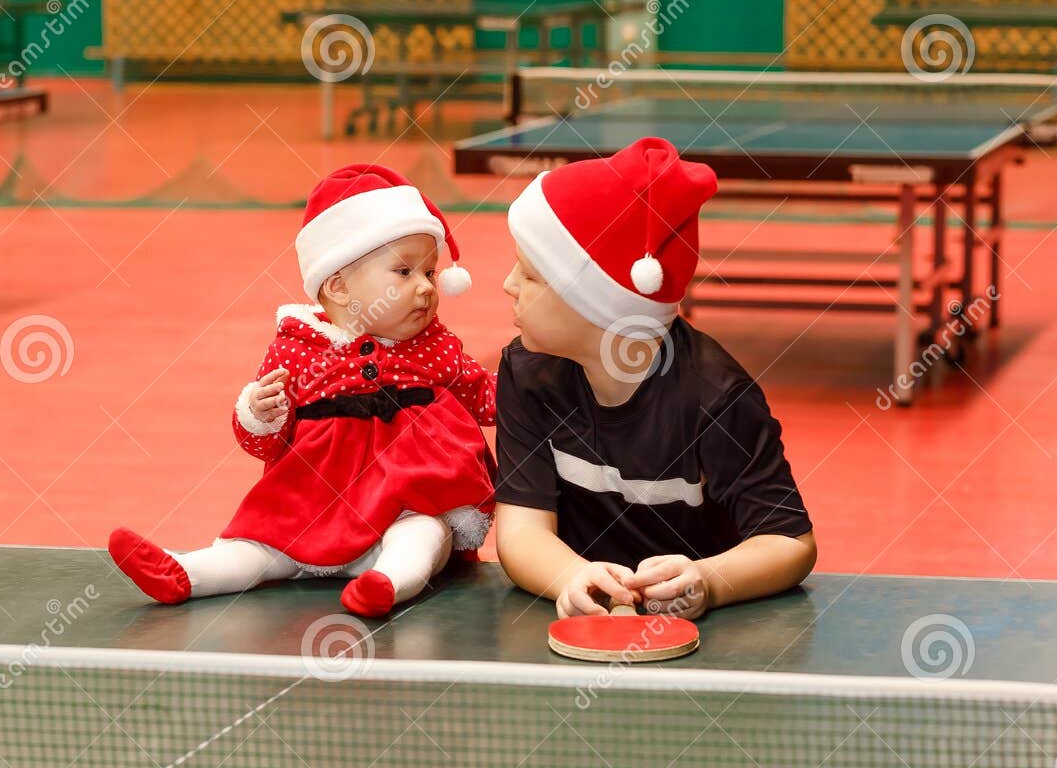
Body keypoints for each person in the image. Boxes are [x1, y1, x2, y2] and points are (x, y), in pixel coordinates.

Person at [109, 164, 496, 618]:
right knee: (259, 546)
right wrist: (259, 413)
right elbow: (261, 443)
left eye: (430, 272)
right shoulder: (296, 348)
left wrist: (541, 386)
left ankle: (388, 583)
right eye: (404, 271)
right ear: (339, 286)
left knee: (424, 533)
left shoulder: (435, 348)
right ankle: (186, 573)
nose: (426, 288)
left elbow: (484, 396)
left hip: (405, 499)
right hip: (310, 507)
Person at [493, 136, 816, 620]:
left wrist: (709, 581)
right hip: (581, 633)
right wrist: (571, 577)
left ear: (597, 305)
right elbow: (521, 532)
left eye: (530, 276)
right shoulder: (527, 374)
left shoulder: (716, 398)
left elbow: (790, 543)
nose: (508, 285)